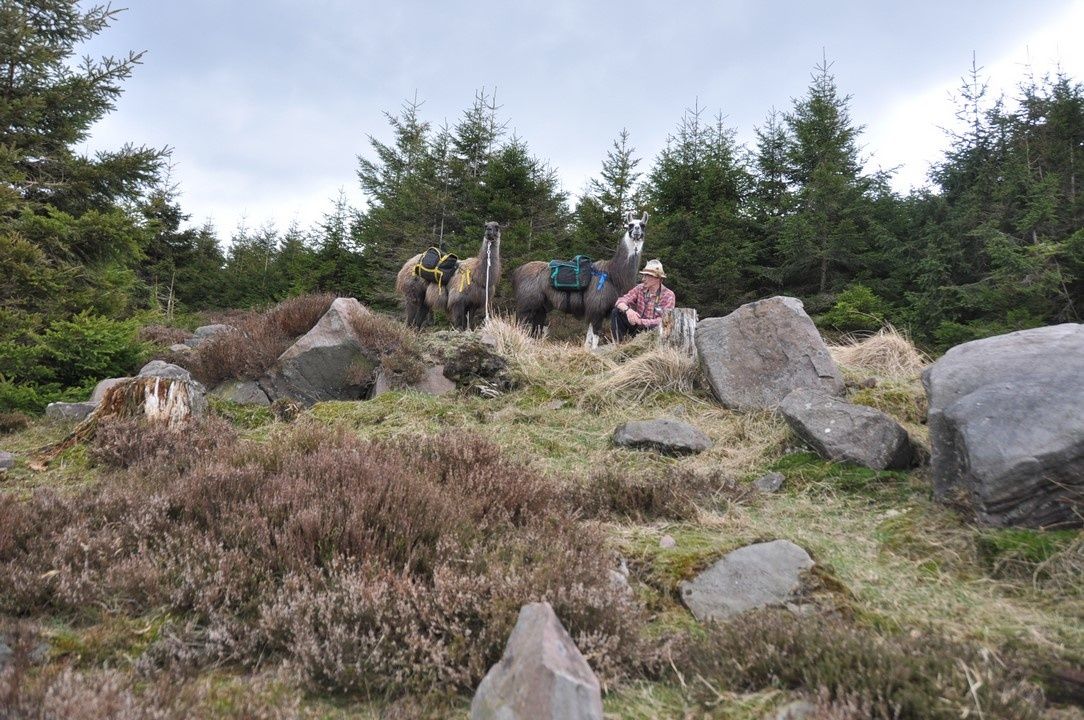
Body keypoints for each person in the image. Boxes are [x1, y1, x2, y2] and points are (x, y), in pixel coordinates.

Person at [610, 258, 676, 342]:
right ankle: (620, 345)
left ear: (656, 278)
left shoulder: (668, 295)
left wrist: (641, 321)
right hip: (637, 326)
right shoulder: (640, 288)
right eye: (644, 276)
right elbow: (620, 301)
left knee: (660, 325)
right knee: (616, 312)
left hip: (654, 331)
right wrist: (628, 311)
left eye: (646, 276)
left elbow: (664, 321)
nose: (643, 279)